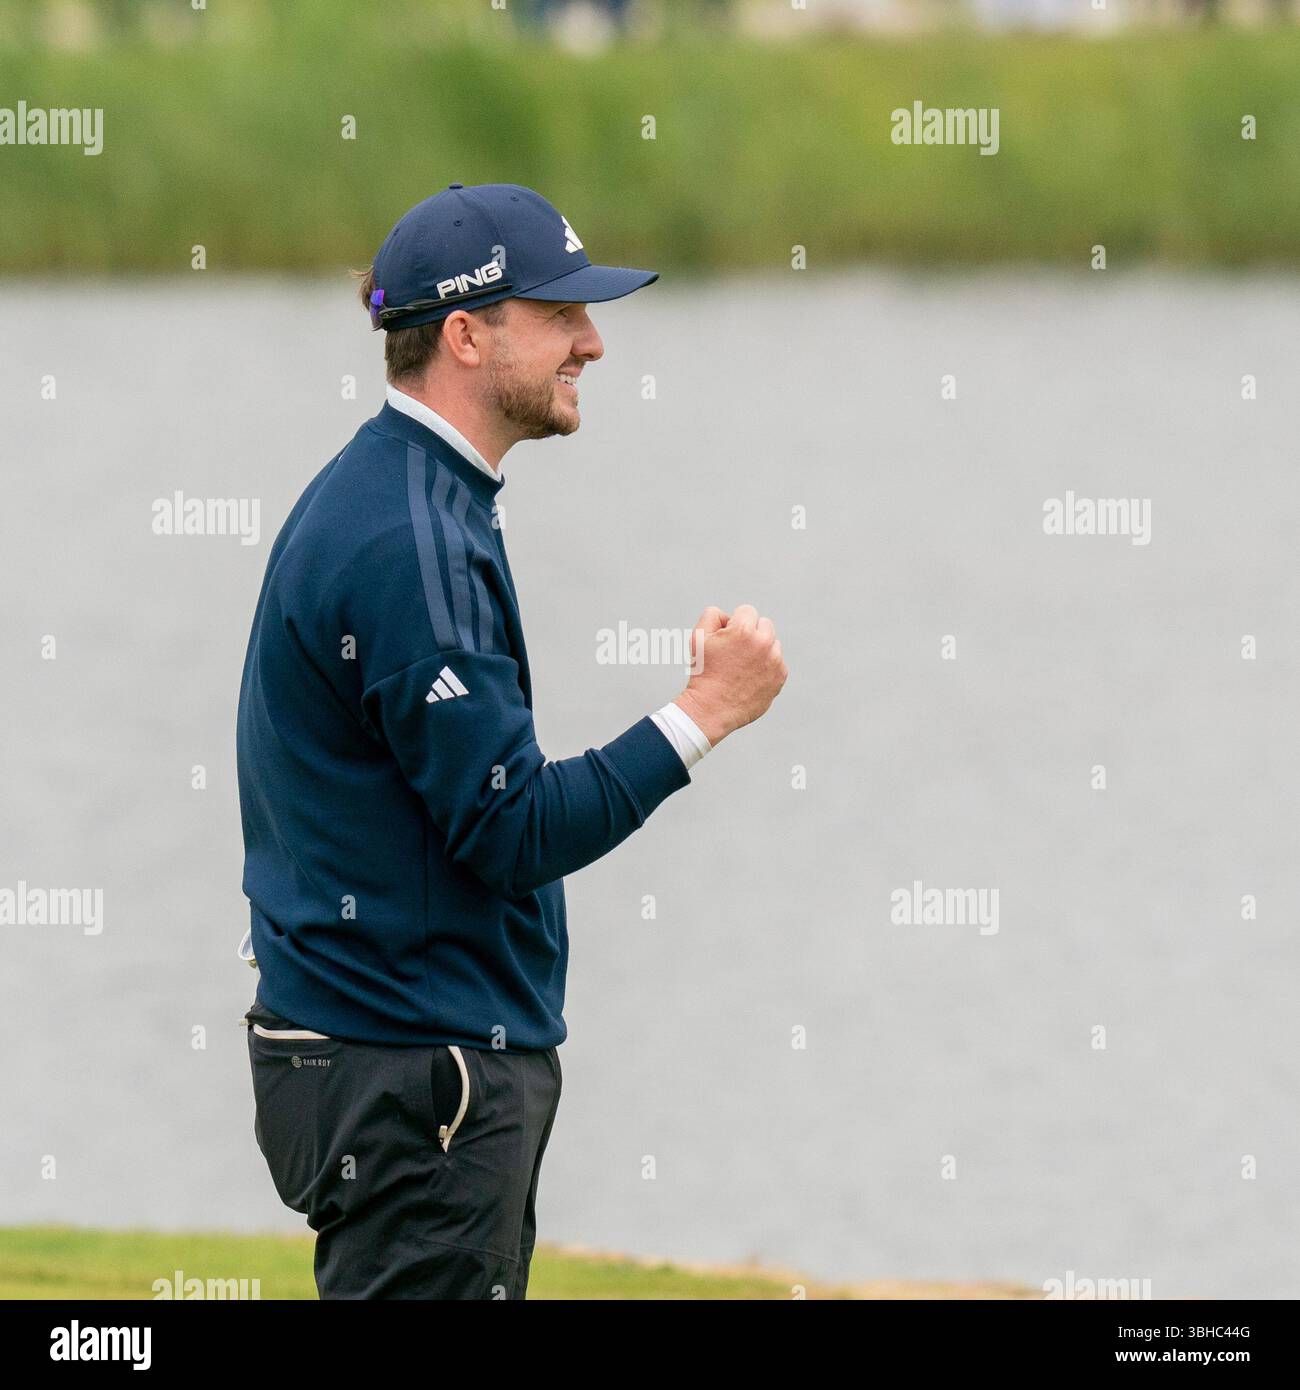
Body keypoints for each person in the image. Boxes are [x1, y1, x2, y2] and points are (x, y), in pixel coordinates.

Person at [234, 182, 787, 1299]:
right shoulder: (408, 538)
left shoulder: (403, 491)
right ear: (465, 334)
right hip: (413, 1075)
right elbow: (513, 825)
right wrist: (704, 712)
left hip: (387, 1060)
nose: (591, 340)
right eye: (558, 314)